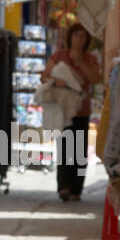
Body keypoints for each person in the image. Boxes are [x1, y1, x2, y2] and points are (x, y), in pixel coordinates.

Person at [42, 23, 102, 201]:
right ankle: (63, 186)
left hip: (82, 109)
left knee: (80, 151)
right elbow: (44, 75)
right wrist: (55, 81)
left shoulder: (90, 59)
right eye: (77, 35)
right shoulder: (59, 56)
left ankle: (77, 188)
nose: (79, 39)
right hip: (63, 108)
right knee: (64, 147)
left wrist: (80, 63)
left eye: (83, 36)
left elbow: (96, 78)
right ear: (70, 37)